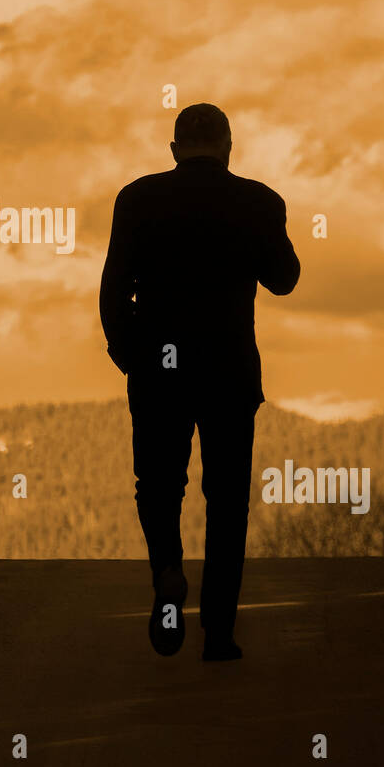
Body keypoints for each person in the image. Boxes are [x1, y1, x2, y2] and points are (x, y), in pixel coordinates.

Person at [99, 103, 300, 661]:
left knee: (159, 487)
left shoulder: (136, 199)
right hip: (229, 369)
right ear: (229, 148)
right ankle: (219, 632)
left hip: (159, 369)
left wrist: (129, 355)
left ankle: (167, 575)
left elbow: (113, 289)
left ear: (173, 149)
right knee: (227, 499)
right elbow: (284, 280)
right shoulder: (258, 201)